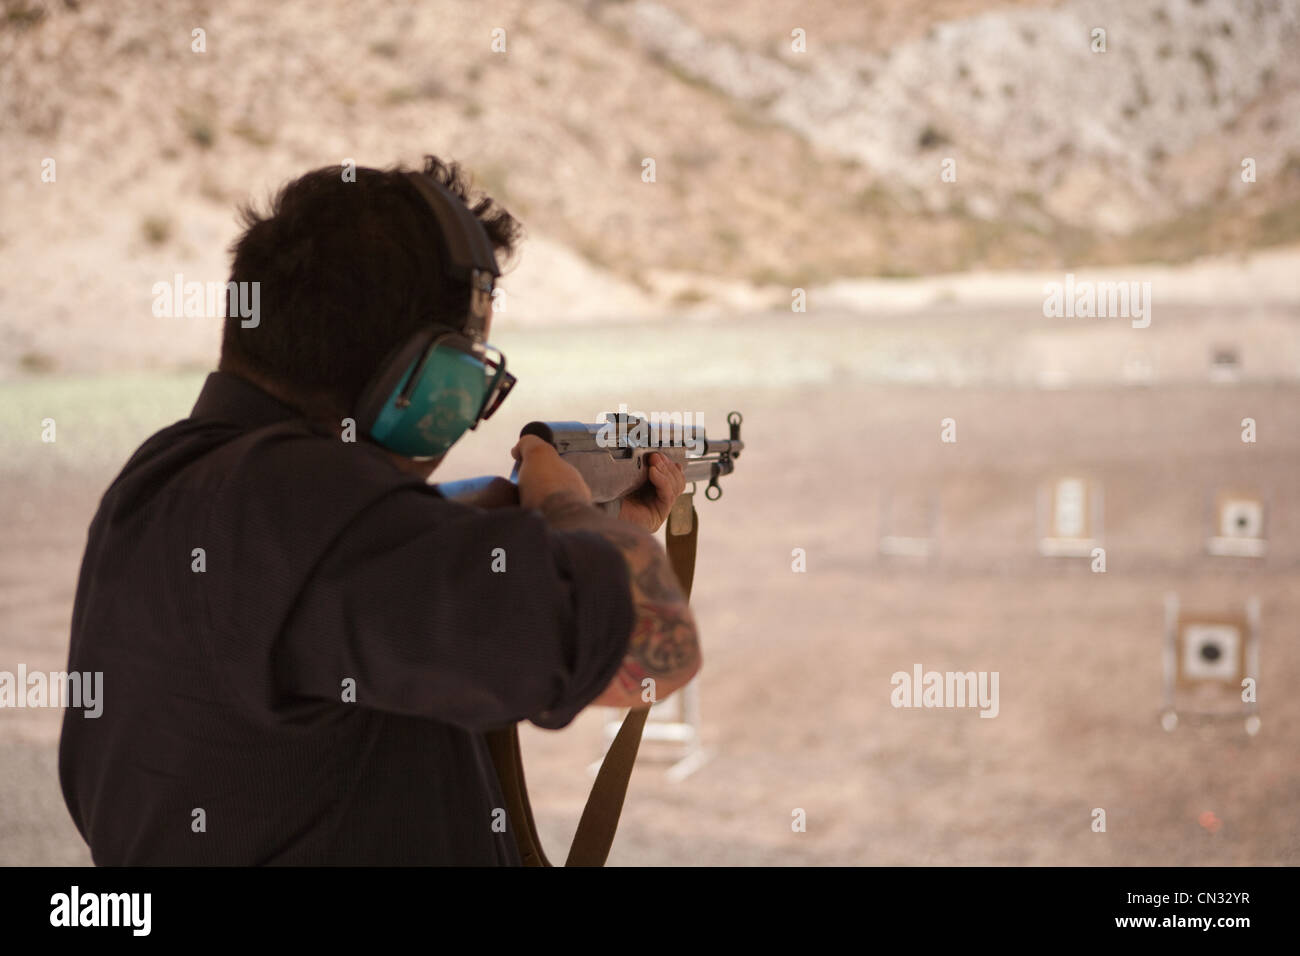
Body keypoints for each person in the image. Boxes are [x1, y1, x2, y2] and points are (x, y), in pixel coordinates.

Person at [58, 155, 701, 865]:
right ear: (424, 379)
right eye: (470, 367)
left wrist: (601, 536)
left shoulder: (157, 482)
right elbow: (654, 647)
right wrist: (560, 496)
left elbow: (383, 593)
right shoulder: (314, 510)